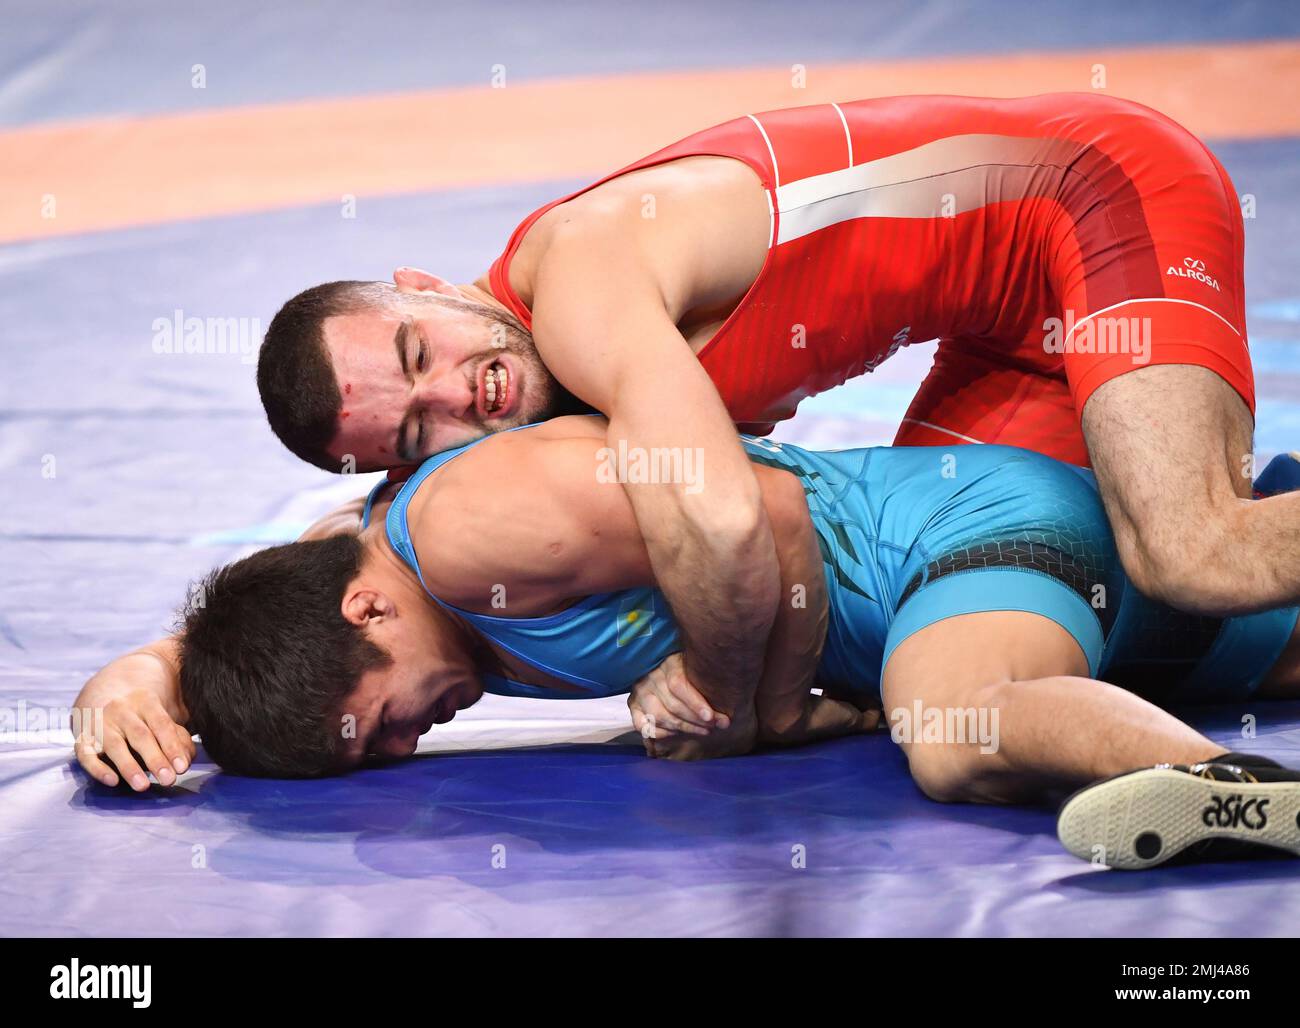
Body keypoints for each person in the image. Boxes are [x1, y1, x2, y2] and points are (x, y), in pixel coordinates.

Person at [251, 93, 1294, 740]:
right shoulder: (502, 431)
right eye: (414, 433)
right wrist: (162, 674)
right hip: (999, 329)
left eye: (417, 352)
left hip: (1088, 196)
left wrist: (731, 695)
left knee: (1187, 551)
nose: (454, 396)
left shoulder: (580, 291)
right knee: (979, 619)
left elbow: (735, 520)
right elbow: (332, 578)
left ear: (426, 283)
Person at [74, 416, 1300, 870]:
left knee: (950, 726)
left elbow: (764, 519)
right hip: (1026, 599)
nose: (407, 748)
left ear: (367, 614)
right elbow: (268, 613)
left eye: (380, 722)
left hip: (957, 546)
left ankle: (1226, 789)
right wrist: (142, 670)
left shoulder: (469, 524)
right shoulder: (365, 582)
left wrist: (741, 696)